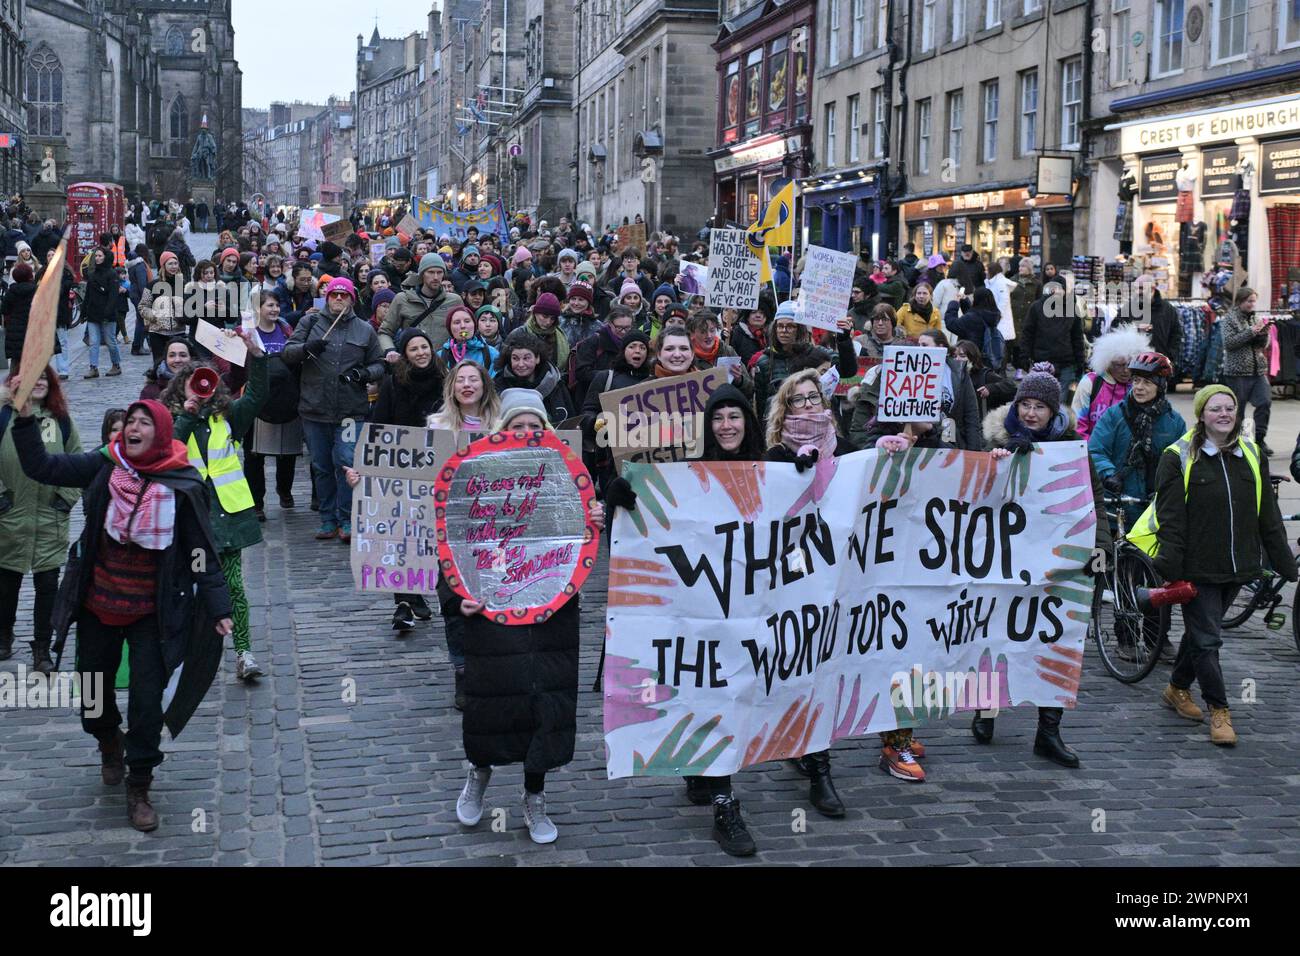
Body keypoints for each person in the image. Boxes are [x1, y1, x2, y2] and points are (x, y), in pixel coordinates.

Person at [6, 393, 233, 831]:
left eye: (146, 422)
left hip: (154, 613)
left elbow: (201, 551)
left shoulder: (182, 483)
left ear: (161, 433)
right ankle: (108, 741)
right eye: (131, 420)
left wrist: (218, 604)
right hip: (97, 606)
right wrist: (23, 417)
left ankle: (140, 784)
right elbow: (42, 467)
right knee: (92, 698)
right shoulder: (104, 466)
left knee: (146, 704)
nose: (134, 427)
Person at [602, 381, 761, 856]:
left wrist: (806, 470)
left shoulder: (773, 466)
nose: (727, 425)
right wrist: (623, 497)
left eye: (735, 416)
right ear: (706, 426)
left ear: (747, 422)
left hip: (754, 608)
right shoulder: (685, 474)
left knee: (735, 692)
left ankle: (706, 773)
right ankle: (723, 801)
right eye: (718, 417)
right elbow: (650, 523)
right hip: (698, 608)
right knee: (710, 690)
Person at [447, 388, 606, 845]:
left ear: (547, 432)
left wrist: (596, 518)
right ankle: (479, 773)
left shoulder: (567, 479)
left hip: (553, 612)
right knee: (492, 700)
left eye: (534, 426)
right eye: (517, 426)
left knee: (545, 704)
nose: (526, 433)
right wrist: (459, 595)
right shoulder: (477, 476)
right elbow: (451, 544)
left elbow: (584, 543)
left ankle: (535, 796)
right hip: (491, 609)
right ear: (503, 432)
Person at [973, 363, 1110, 766]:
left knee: (1056, 640)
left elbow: (1093, 503)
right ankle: (986, 708)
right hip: (1004, 563)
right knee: (994, 636)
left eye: (1040, 407)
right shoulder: (995, 443)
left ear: (1054, 412)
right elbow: (975, 500)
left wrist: (1100, 548)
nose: (1031, 413)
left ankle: (1048, 731)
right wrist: (995, 464)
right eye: (1026, 404)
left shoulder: (1071, 451)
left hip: (1056, 563)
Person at [1149, 385, 1296, 745]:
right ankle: (1220, 711)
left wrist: (1284, 562)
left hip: (1238, 566)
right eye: (1215, 409)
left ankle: (1177, 687)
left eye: (1230, 408)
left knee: (1202, 635)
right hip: (1197, 566)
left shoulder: (1251, 452)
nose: (1224, 414)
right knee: (1208, 639)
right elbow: (1171, 518)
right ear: (1201, 415)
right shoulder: (1178, 456)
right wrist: (1171, 567)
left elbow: (1268, 514)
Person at [762, 369, 852, 815]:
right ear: (785, 408)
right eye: (797, 400)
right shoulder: (776, 453)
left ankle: (817, 761)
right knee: (799, 661)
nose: (808, 405)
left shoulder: (843, 447)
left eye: (813, 397)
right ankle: (810, 756)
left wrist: (896, 448)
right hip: (792, 576)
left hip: (836, 575)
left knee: (822, 665)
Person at [163, 330, 268, 681]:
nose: (200, 389)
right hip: (188, 519)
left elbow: (256, 395)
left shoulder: (228, 418)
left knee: (234, 586)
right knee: (189, 588)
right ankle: (189, 657)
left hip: (226, 517)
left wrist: (257, 354)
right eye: (192, 384)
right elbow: (168, 449)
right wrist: (188, 412)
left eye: (204, 383)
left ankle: (244, 652)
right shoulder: (171, 420)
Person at [283, 276, 385, 543]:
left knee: (346, 464)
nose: (339, 299)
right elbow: (288, 353)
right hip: (315, 409)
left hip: (351, 411)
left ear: (352, 299)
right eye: (334, 295)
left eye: (344, 295)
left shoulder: (364, 330)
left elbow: (379, 364)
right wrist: (306, 348)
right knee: (321, 466)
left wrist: (362, 374)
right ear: (327, 297)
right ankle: (327, 519)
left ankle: (347, 519)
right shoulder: (310, 322)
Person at [429, 361, 502, 708]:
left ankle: (489, 669)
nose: (468, 385)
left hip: (495, 532)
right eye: (462, 380)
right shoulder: (436, 426)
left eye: (475, 379)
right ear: (452, 388)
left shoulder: (503, 427)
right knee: (453, 603)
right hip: (451, 534)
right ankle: (462, 671)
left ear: (485, 386)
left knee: (492, 597)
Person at [364, 328, 445, 632]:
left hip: (437, 467)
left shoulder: (445, 380)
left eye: (425, 347)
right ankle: (405, 601)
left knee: (429, 537)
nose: (421, 353)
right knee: (405, 535)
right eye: (414, 349)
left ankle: (418, 593)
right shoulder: (393, 384)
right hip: (402, 469)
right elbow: (380, 424)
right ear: (405, 355)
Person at [0, 368, 80, 672]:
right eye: (34, 377)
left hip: (49, 517)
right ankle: (3, 635)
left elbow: (77, 460)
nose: (39, 383)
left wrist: (66, 499)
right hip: (10, 516)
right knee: (7, 582)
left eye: (44, 378)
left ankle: (42, 648)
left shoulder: (61, 420)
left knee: (48, 585)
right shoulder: (4, 417)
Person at [1089, 352, 1184, 525]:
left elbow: (1182, 461)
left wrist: (1166, 487)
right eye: (1136, 380)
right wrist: (1109, 474)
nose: (1139, 387)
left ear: (1161, 386)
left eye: (1147, 382)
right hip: (1116, 506)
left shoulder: (1175, 423)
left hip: (1156, 509)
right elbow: (1096, 450)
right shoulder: (1114, 415)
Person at [244, 291, 302, 519]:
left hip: (285, 398)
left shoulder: (288, 330)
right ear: (258, 309)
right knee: (254, 455)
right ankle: (256, 502)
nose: (275, 309)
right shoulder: (248, 333)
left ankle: (284, 489)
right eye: (269, 305)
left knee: (286, 451)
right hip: (256, 400)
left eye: (277, 305)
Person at [753, 302, 857, 421]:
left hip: (815, 424)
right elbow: (761, 406)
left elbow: (848, 371)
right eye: (780, 326)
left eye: (790, 326)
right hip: (780, 428)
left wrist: (844, 339)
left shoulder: (818, 354)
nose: (784, 330)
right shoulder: (764, 361)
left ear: (800, 329)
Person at [1220, 288, 1273, 457]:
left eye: (1253, 301)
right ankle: (1236, 440)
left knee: (1264, 402)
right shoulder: (1229, 319)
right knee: (1238, 409)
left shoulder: (1256, 318)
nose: (1252, 304)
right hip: (1237, 372)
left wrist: (1264, 335)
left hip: (1258, 370)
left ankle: (1259, 439)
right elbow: (1229, 343)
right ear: (1240, 301)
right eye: (1249, 301)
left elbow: (1262, 345)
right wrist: (1252, 332)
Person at [380, 253, 465, 359]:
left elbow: (465, 332)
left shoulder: (454, 301)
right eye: (431, 272)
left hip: (445, 364)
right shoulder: (402, 299)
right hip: (413, 364)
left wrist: (463, 341)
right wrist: (390, 351)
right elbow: (385, 332)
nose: (435, 277)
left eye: (439, 272)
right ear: (422, 274)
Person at [1072, 326, 1148, 440]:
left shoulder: (1138, 385)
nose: (1126, 370)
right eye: (1119, 365)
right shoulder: (1090, 383)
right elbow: (1078, 426)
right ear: (1107, 363)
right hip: (1092, 450)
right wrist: (1092, 451)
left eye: (1130, 364)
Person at [1021, 281, 1086, 402]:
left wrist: (1080, 362)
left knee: (1059, 403)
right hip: (1042, 362)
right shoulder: (1037, 307)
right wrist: (1024, 357)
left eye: (1060, 289)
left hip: (1066, 363)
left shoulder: (1072, 309)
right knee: (1041, 399)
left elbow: (1077, 338)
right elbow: (1027, 333)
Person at [493, 330, 575, 424]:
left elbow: (570, 422)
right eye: (515, 358)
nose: (521, 364)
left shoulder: (554, 384)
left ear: (537, 358)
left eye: (526, 358)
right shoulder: (499, 385)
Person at [81, 249, 124, 378]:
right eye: (96, 256)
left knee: (110, 341)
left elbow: (113, 296)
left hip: (107, 315)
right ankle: (93, 368)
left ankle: (116, 365)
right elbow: (88, 295)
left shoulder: (112, 274)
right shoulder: (93, 274)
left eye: (100, 256)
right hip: (93, 314)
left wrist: (107, 312)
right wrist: (83, 312)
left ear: (106, 257)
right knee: (94, 342)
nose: (97, 258)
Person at [952, 340, 1016, 419]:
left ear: (972, 358)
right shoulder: (953, 376)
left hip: (981, 424)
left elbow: (1012, 387)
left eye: (962, 356)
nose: (957, 359)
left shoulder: (985, 375)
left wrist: (990, 388)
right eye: (954, 356)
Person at [437, 303, 499, 373]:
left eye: (467, 321)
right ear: (450, 329)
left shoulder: (492, 354)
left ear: (474, 325)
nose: (463, 326)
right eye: (457, 322)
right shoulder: (440, 356)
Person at [2, 261, 37, 366]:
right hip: (33, 328)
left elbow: (4, 310)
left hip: (15, 330)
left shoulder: (11, 292)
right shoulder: (36, 290)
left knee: (16, 360)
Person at [140, 338, 195, 402]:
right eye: (172, 355)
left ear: (192, 359)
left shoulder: (203, 387)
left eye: (183, 355)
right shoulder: (150, 391)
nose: (177, 360)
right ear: (165, 360)